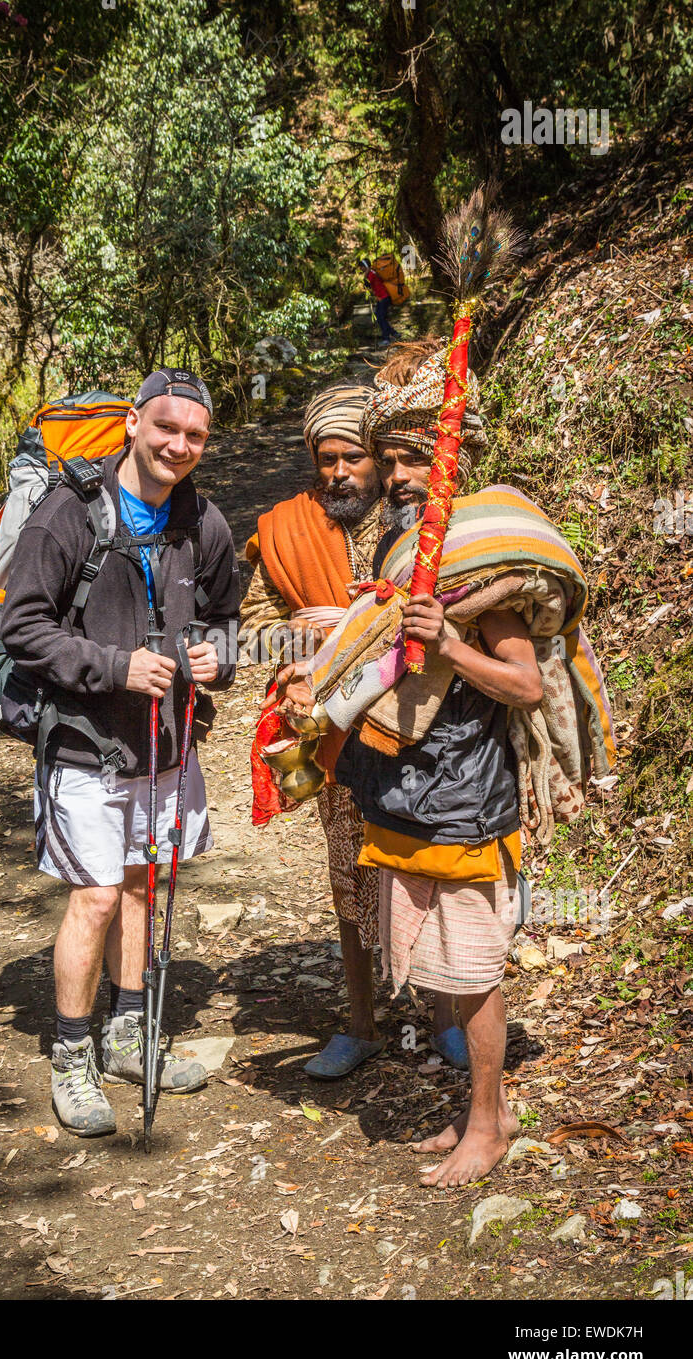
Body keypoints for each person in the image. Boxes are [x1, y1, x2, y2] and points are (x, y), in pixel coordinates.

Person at [278, 348, 540, 1184]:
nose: (395, 474)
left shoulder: (478, 563)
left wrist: (453, 642)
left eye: (412, 458)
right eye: (387, 458)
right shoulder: (401, 552)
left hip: (465, 795)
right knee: (437, 964)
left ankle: (487, 1128)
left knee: (472, 973)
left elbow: (524, 683)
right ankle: (479, 1115)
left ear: (453, 461)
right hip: (403, 791)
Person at [1, 367, 240, 1136]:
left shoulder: (203, 522)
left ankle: (129, 1035)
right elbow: (22, 627)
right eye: (166, 427)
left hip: (166, 744)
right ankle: (72, 1055)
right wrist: (114, 666)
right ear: (134, 423)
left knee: (141, 886)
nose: (179, 444)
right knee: (97, 895)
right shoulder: (67, 514)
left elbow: (226, 617)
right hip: (83, 741)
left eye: (195, 435)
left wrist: (216, 657)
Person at [239, 383, 387, 1079]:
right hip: (334, 732)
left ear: (381, 457)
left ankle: (448, 1017)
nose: (338, 472)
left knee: (427, 871)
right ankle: (361, 1023)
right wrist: (297, 641)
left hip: (412, 726)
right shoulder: (286, 527)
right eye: (326, 458)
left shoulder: (417, 517)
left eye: (352, 456)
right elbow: (252, 634)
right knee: (348, 877)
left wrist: (361, 624)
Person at [358, 257, 394, 346]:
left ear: (365, 267)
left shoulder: (371, 274)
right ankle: (394, 333)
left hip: (383, 297)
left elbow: (366, 285)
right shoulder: (373, 272)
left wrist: (365, 275)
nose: (360, 269)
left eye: (361, 267)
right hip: (382, 297)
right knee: (380, 317)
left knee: (380, 318)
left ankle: (387, 339)